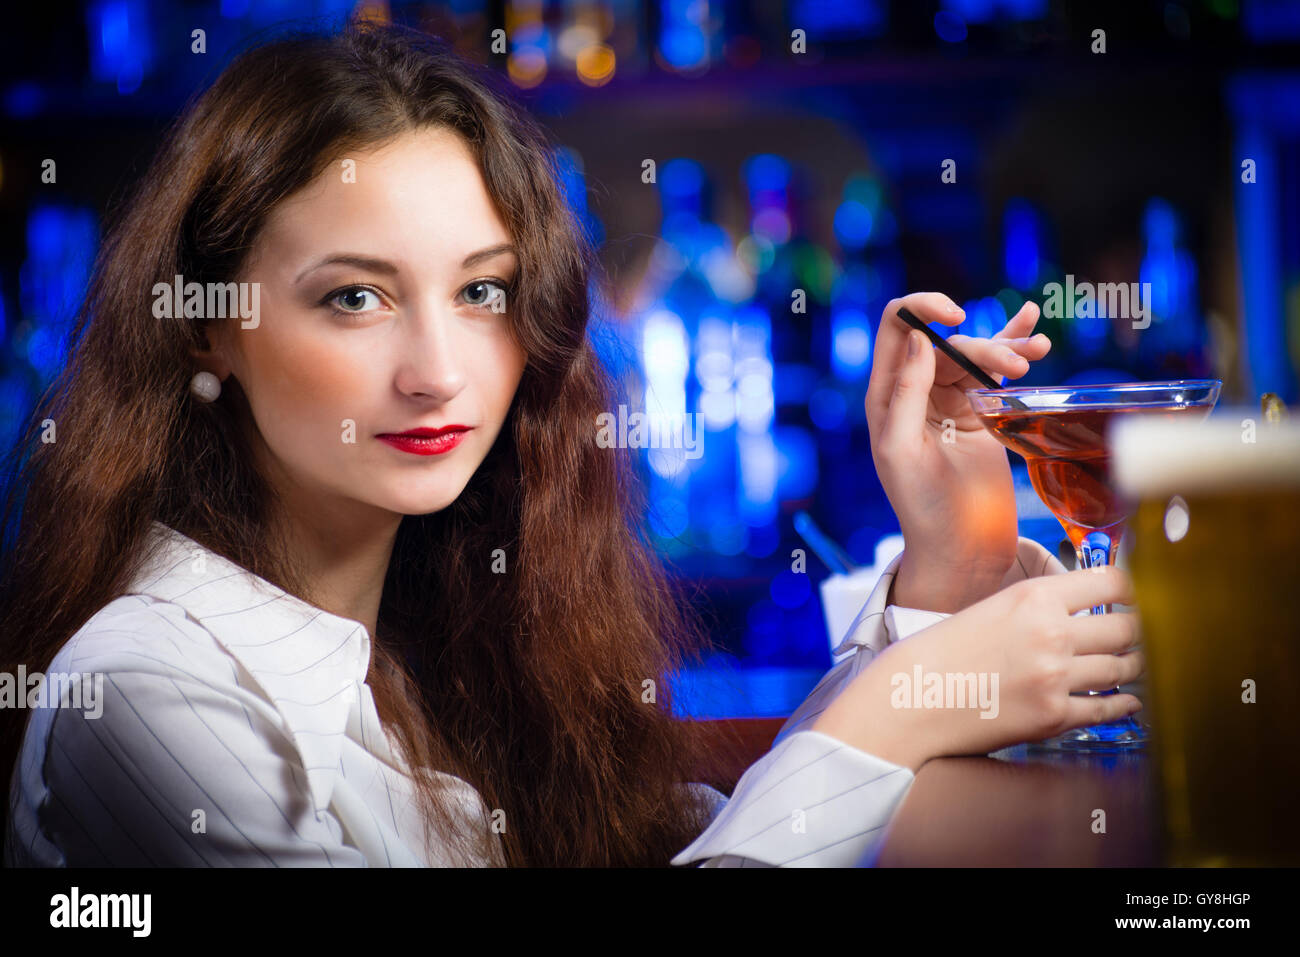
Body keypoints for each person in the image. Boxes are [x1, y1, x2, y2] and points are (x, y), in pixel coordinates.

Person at [0, 21, 1141, 869]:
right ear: (214, 324)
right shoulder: (146, 695)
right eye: (354, 298)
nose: (437, 369)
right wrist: (897, 708)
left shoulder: (461, 657)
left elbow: (719, 841)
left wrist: (943, 553)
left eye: (484, 292)